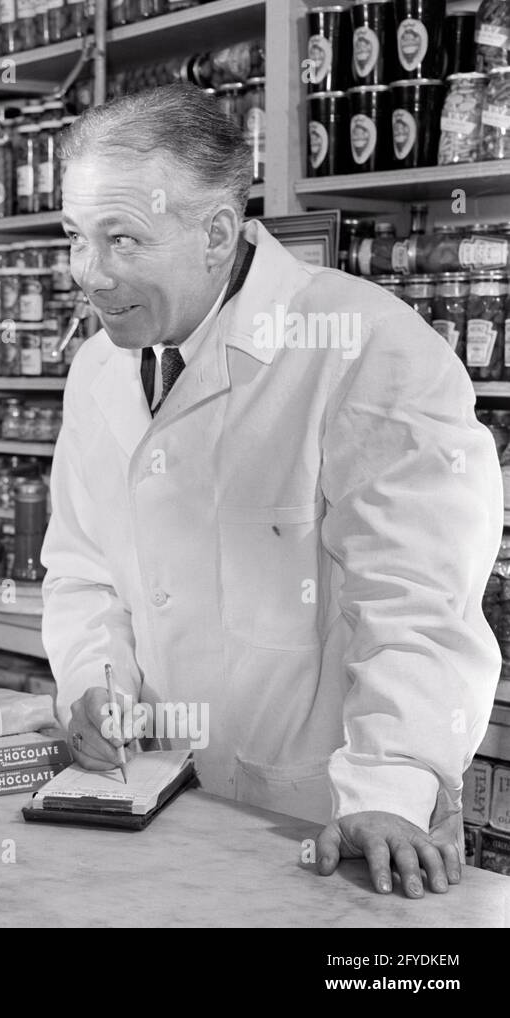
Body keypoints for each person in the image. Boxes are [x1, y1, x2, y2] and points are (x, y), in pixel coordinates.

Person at [42, 84, 502, 899]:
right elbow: (85, 570)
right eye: (75, 237)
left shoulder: (366, 346)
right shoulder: (96, 369)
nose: (88, 273)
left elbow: (417, 605)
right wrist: (92, 683)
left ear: (218, 232)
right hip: (156, 810)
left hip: (337, 827)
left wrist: (391, 788)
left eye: (123, 239)